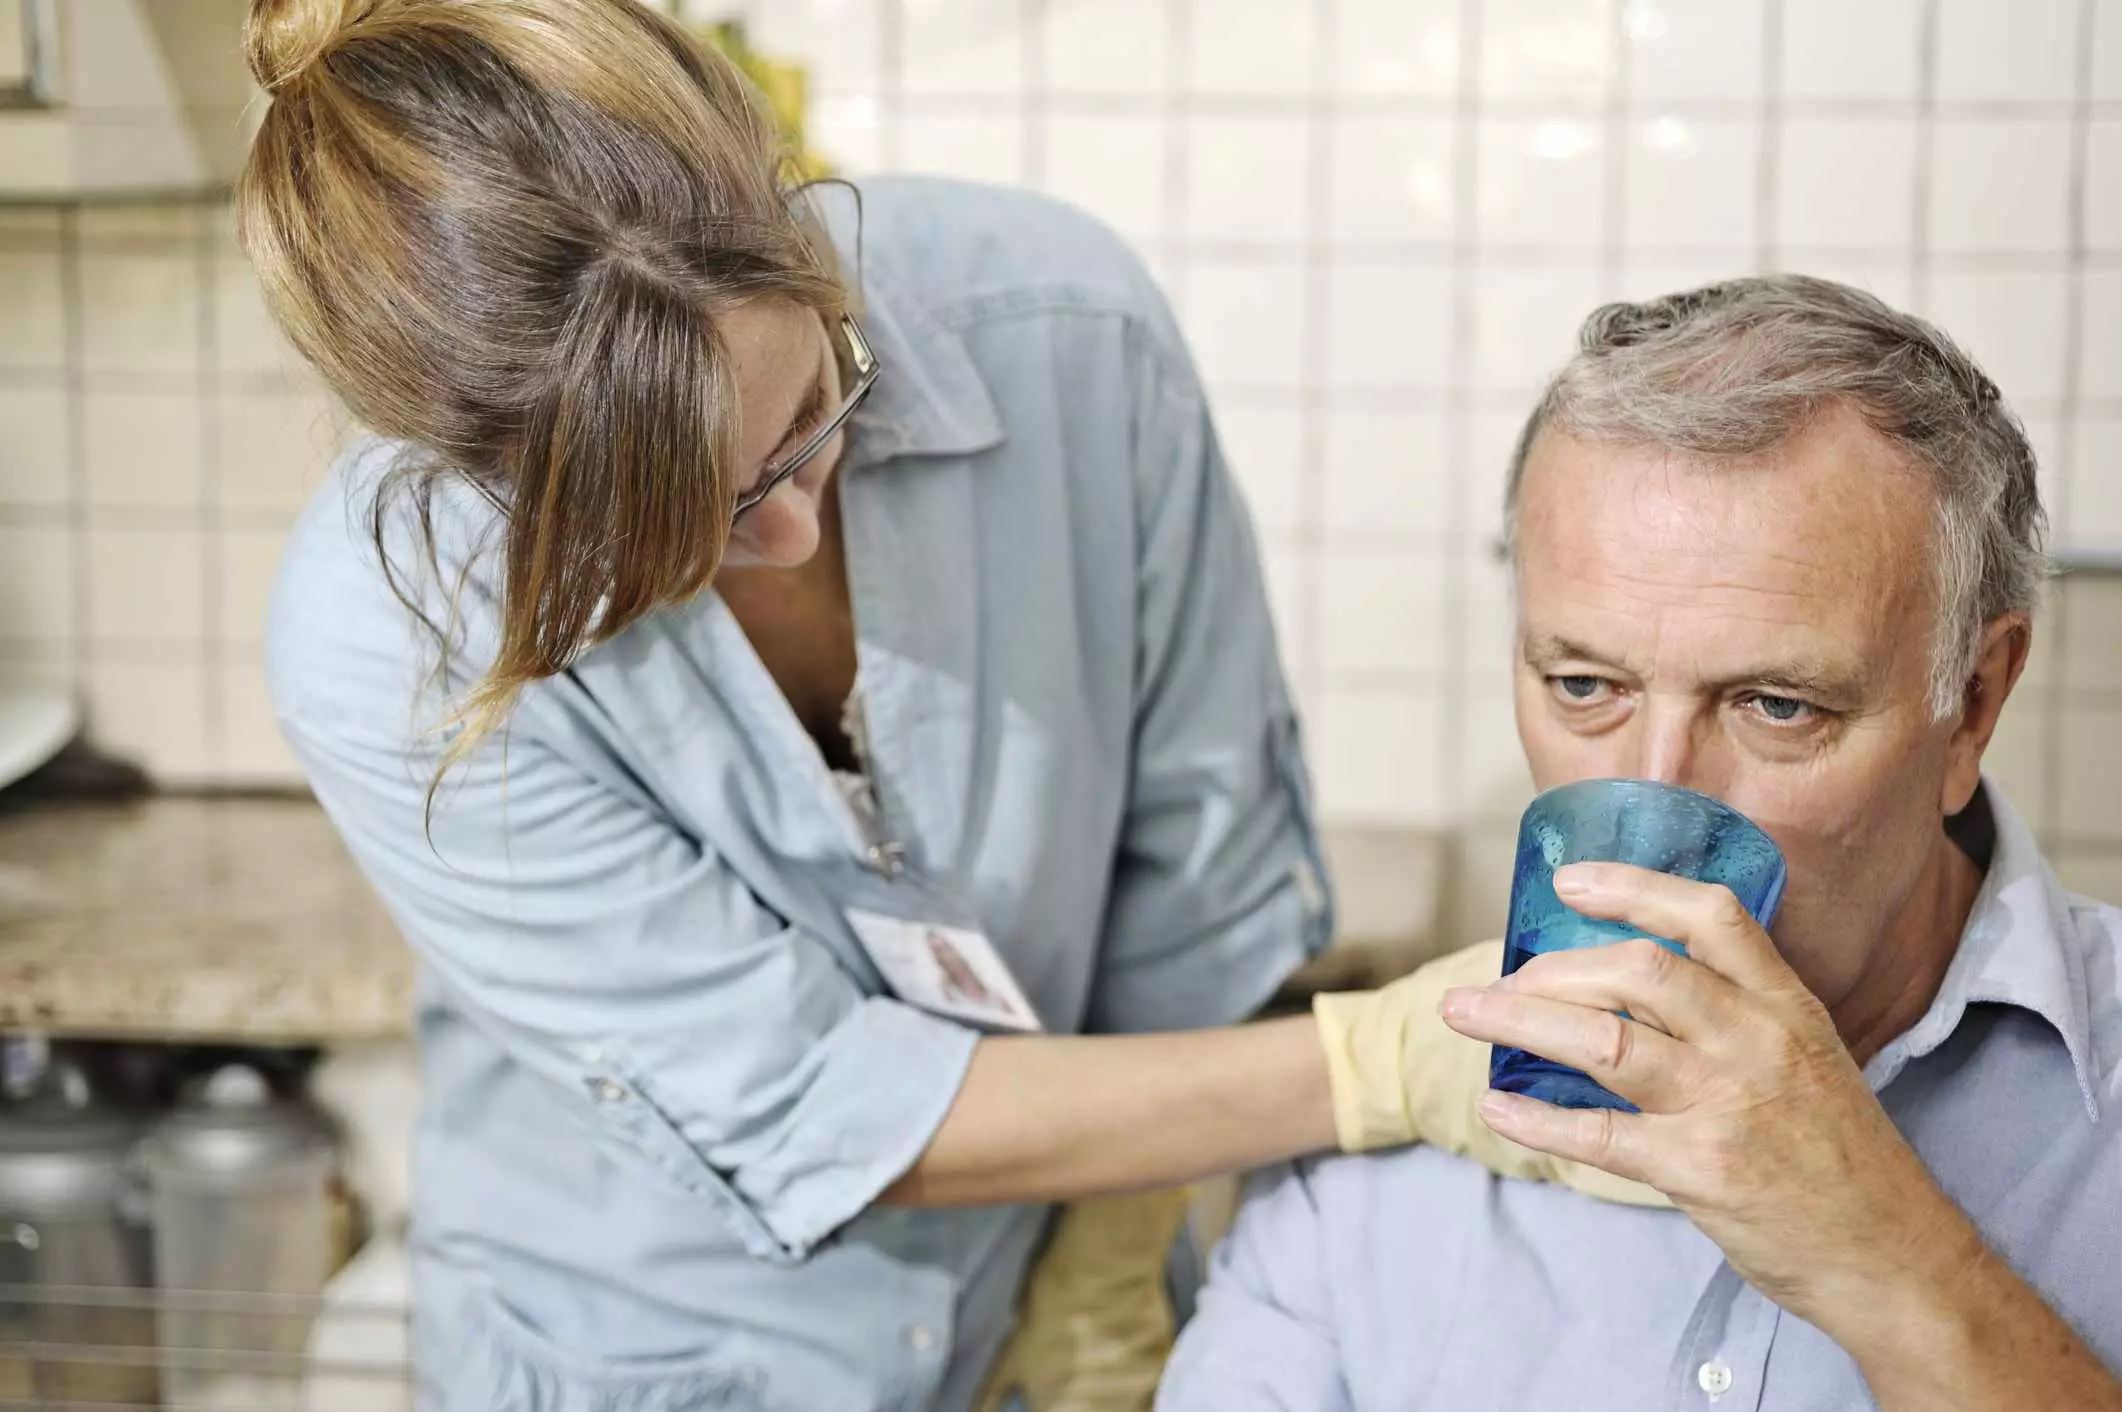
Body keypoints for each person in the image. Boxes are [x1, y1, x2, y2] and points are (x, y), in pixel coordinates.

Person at [241, 3, 1601, 1408]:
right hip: (637, 1356)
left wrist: (1113, 1252)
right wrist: (1377, 1071)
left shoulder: (1072, 338)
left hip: (1052, 1307)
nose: (786, 543)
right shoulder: (384, 631)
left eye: (808, 422)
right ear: (472, 476)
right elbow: (811, 1100)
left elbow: (1200, 886)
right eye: (666, 539)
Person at [1158, 276, 2122, 1412]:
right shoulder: (1377, 1170)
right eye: (1582, 685)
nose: (1651, 794)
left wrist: (1890, 1256)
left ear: (1969, 700)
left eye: (1776, 704)